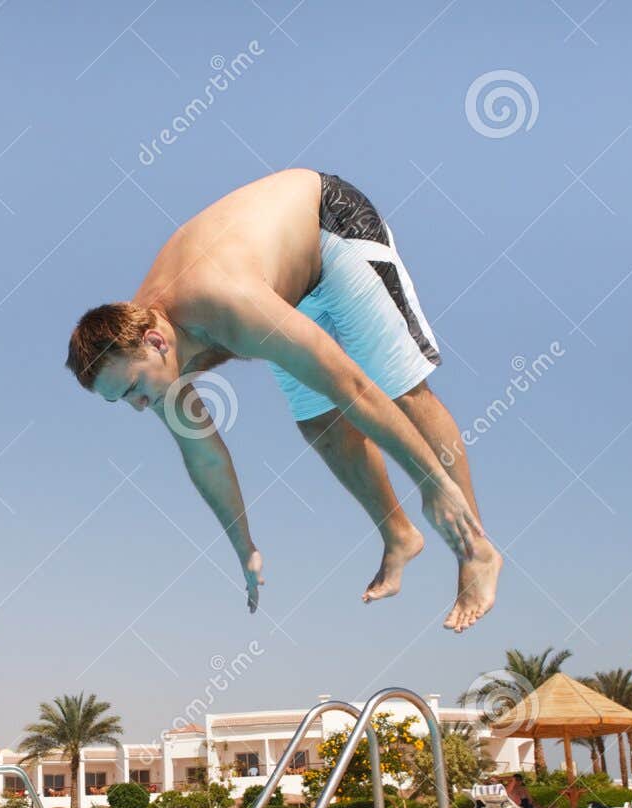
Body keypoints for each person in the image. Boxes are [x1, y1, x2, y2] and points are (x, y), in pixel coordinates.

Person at [65, 169, 501, 631]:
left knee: (401, 393)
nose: (139, 405)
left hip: (332, 230)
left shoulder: (229, 303)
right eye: (123, 400)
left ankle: (476, 551)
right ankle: (399, 535)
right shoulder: (147, 353)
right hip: (281, 285)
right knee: (319, 423)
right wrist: (244, 547)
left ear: (155, 341)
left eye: (133, 390)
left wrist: (433, 486)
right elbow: (204, 455)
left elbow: (351, 385)